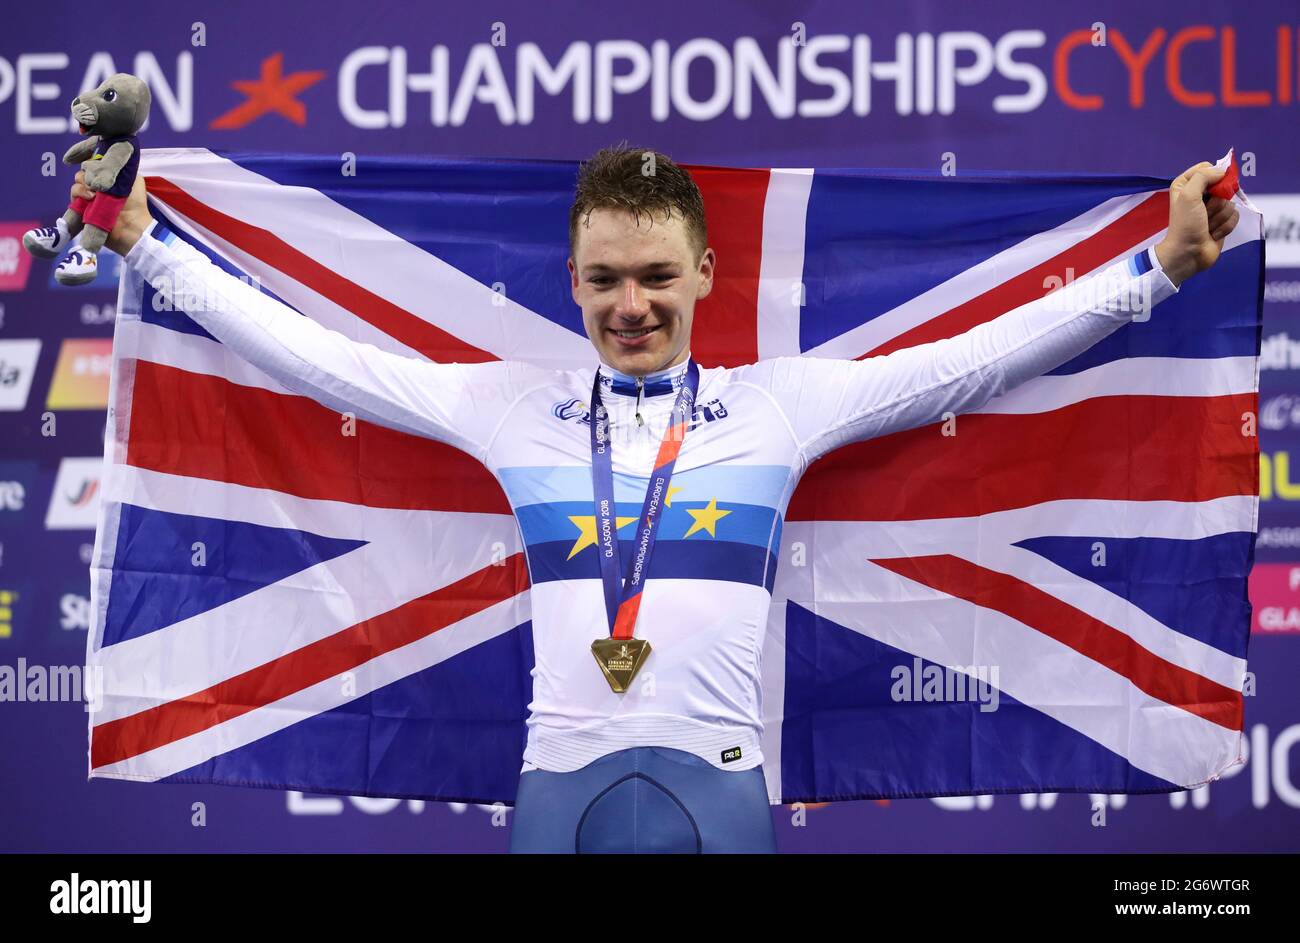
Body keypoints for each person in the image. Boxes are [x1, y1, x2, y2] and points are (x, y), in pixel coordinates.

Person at [89, 145, 1239, 854]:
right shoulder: (509, 409)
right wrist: (143, 241)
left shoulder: (779, 407)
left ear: (703, 273)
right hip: (555, 793)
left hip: (723, 796)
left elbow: (979, 359)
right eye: (602, 279)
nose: (628, 304)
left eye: (652, 276)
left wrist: (1160, 270)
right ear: (572, 280)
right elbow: (312, 355)